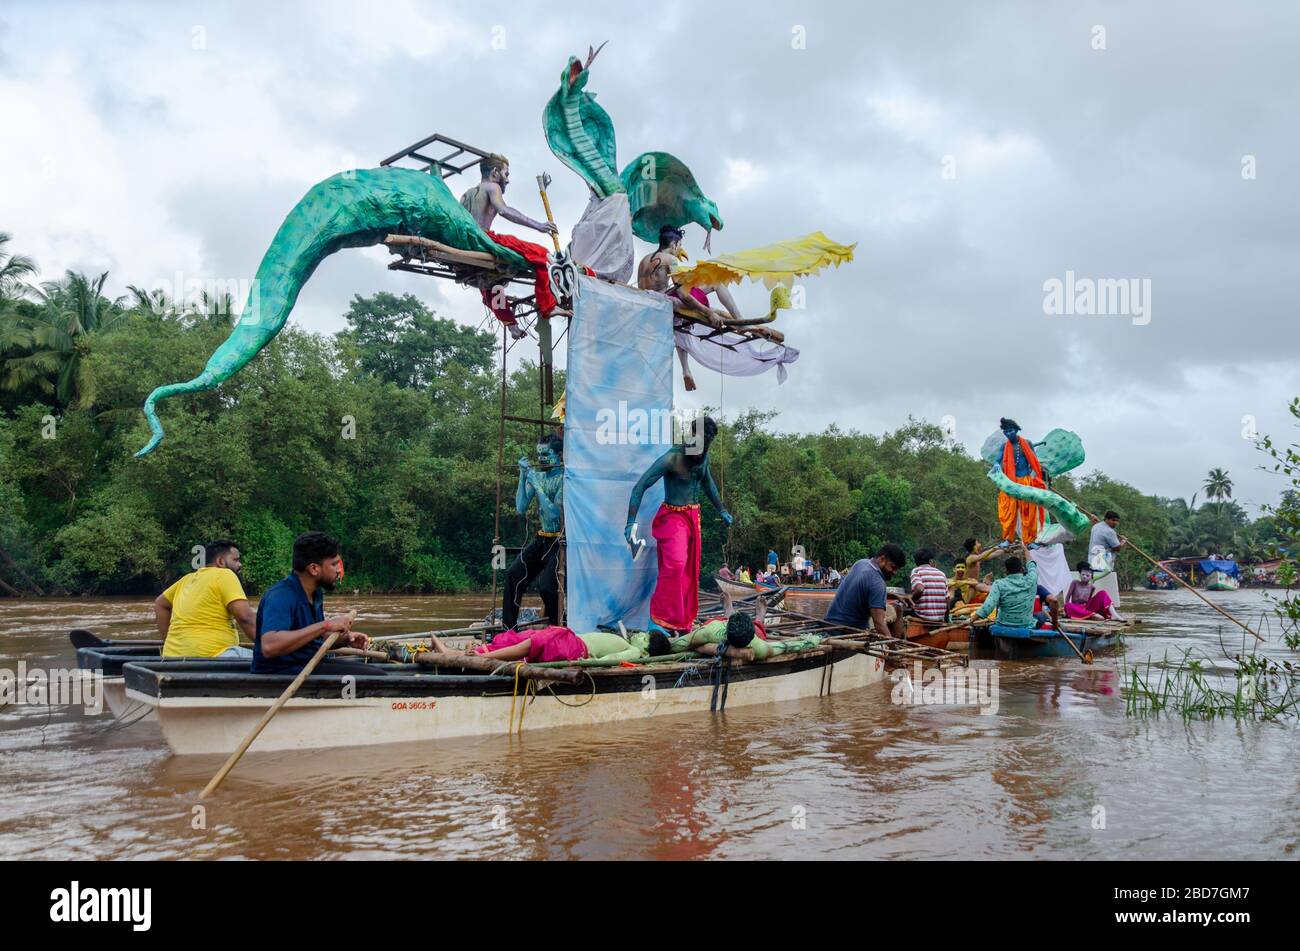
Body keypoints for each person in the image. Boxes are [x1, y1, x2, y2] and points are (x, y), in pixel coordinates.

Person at [626, 415, 732, 634]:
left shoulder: (703, 455)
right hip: (673, 517)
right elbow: (639, 486)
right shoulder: (672, 458)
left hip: (694, 517)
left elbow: (707, 482)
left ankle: (680, 622)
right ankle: (657, 619)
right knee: (675, 564)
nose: (698, 460)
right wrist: (630, 524)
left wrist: (721, 509)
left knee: (688, 571)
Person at [460, 154, 562, 339]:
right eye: (506, 174)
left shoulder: (466, 194)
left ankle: (512, 326)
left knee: (492, 289)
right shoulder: (492, 187)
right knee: (542, 255)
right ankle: (548, 305)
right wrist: (538, 225)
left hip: (469, 242)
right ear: (494, 172)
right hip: (485, 239)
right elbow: (504, 210)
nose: (507, 179)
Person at [252, 532, 371, 675]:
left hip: (307, 663)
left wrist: (346, 639)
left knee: (375, 671)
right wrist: (325, 625)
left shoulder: (316, 593)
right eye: (334, 564)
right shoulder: (281, 596)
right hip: (281, 671)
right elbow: (270, 646)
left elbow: (313, 638)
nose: (339, 570)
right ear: (314, 568)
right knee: (373, 675)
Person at [155, 539, 256, 658]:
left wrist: (168, 642)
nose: (240, 564)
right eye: (236, 560)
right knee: (274, 661)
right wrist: (265, 645)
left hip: (172, 655)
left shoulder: (187, 579)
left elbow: (160, 604)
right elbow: (245, 618)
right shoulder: (225, 575)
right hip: (213, 655)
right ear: (220, 561)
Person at [504, 432, 564, 630]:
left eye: (546, 454)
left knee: (547, 587)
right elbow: (521, 507)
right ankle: (509, 629)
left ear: (559, 455)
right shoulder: (537, 475)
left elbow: (554, 513)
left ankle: (557, 629)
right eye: (539, 454)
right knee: (513, 574)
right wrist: (522, 477)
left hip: (561, 540)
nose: (541, 459)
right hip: (542, 538)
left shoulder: (564, 477)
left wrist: (536, 485)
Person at [825, 544, 907, 638]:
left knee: (895, 605)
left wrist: (895, 596)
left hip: (829, 625)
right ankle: (895, 647)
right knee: (898, 607)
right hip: (849, 634)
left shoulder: (861, 563)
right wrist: (894, 649)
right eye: (893, 567)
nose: (895, 572)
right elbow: (879, 624)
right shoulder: (877, 582)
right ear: (882, 559)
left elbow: (865, 590)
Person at [996, 418, 1047, 542]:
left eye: (1011, 430)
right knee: (1009, 512)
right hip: (1010, 483)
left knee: (1029, 512)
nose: (1009, 433)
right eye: (1006, 431)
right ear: (1004, 433)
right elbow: (997, 460)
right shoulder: (1004, 446)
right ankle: (1008, 539)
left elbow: (1034, 462)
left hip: (1025, 481)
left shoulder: (1027, 443)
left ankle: (1030, 540)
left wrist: (1034, 478)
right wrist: (996, 465)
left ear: (1016, 430)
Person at [975, 543, 1039, 629]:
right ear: (1022, 569)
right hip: (1026, 626)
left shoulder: (999, 584)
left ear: (1006, 572)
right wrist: (1025, 549)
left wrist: (971, 620)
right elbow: (1031, 565)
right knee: (1040, 617)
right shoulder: (1031, 579)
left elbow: (988, 607)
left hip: (1003, 626)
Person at [908, 548, 949, 623]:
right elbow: (947, 599)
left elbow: (920, 589)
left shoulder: (916, 571)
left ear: (916, 562)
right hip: (940, 617)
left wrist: (910, 602)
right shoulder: (942, 574)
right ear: (930, 561)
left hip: (923, 616)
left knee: (905, 613)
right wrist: (946, 620)